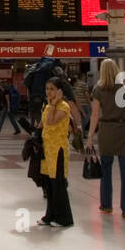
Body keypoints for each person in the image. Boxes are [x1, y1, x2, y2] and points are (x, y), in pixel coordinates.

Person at [87, 58, 125, 219]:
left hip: (106, 130)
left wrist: (90, 135)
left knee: (106, 170)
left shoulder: (98, 89)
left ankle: (106, 205)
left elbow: (95, 114)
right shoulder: (124, 87)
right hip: (123, 130)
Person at [38, 78, 74, 228]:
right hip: (47, 150)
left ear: (59, 91)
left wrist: (53, 104)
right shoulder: (47, 106)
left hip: (58, 150)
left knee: (58, 184)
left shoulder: (63, 106)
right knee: (49, 184)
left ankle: (64, 218)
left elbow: (52, 122)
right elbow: (42, 125)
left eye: (52, 89)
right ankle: (50, 215)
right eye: (47, 88)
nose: (49, 92)